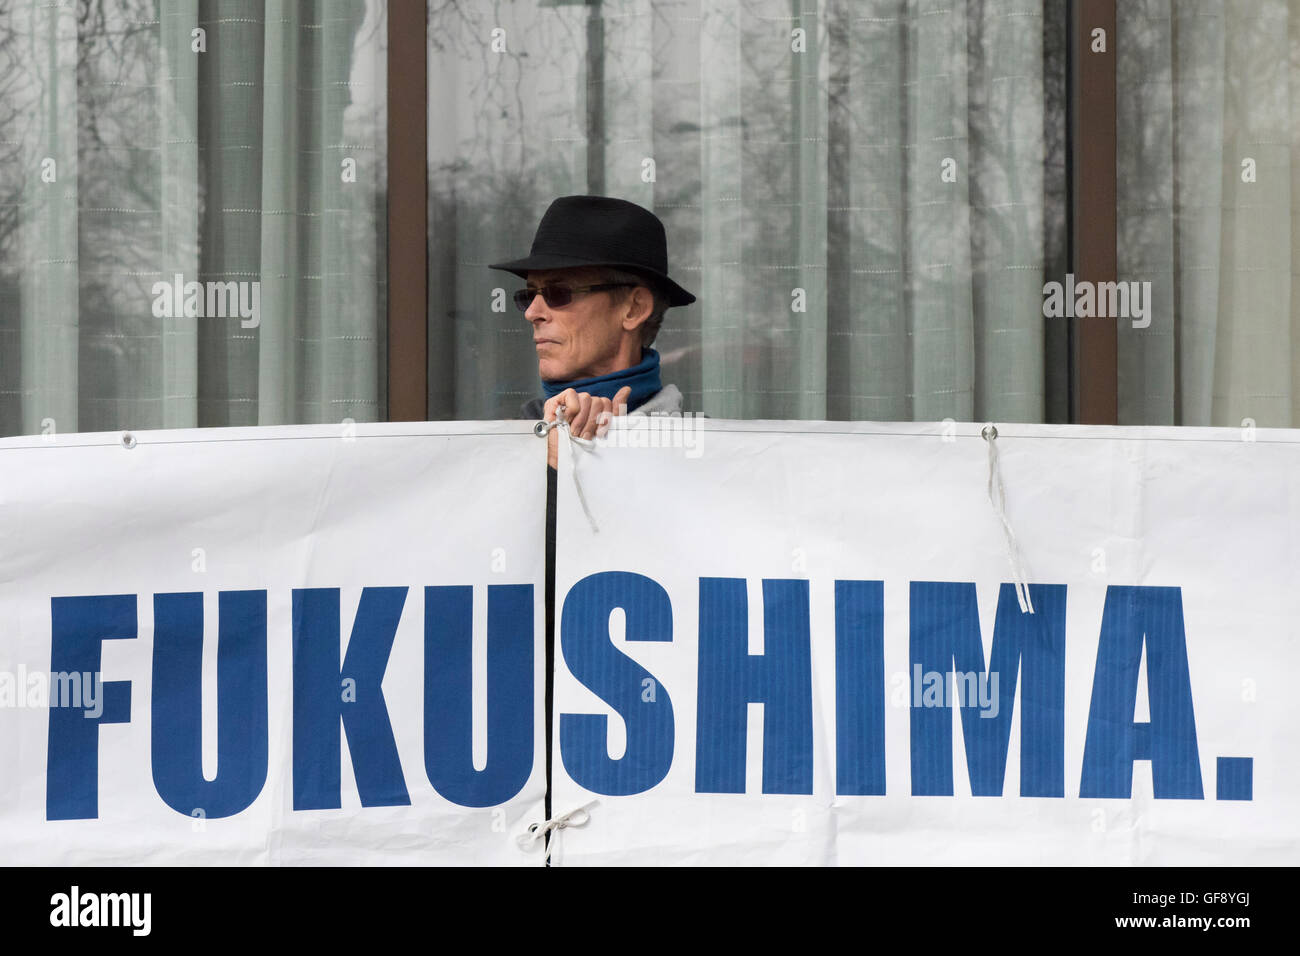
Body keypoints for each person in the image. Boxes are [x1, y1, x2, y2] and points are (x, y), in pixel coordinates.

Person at [489, 194, 696, 467]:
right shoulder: (504, 445)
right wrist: (548, 460)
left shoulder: (702, 450)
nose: (531, 313)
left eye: (557, 292)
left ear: (633, 308)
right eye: (529, 294)